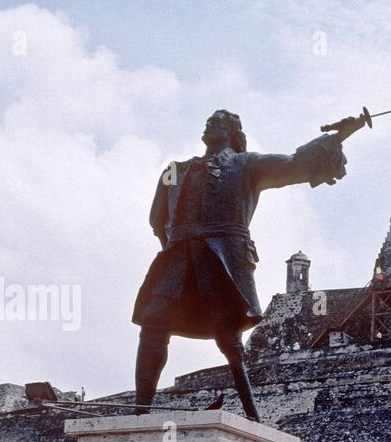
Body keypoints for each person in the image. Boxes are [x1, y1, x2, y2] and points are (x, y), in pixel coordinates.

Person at [132, 109, 368, 421]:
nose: (212, 122)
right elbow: (157, 220)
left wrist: (338, 136)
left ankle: (252, 415)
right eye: (210, 119)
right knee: (154, 318)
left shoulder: (247, 165)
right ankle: (139, 410)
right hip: (177, 257)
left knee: (227, 334)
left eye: (222, 121)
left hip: (222, 259)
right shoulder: (175, 170)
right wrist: (176, 249)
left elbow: (294, 163)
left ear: (233, 133)